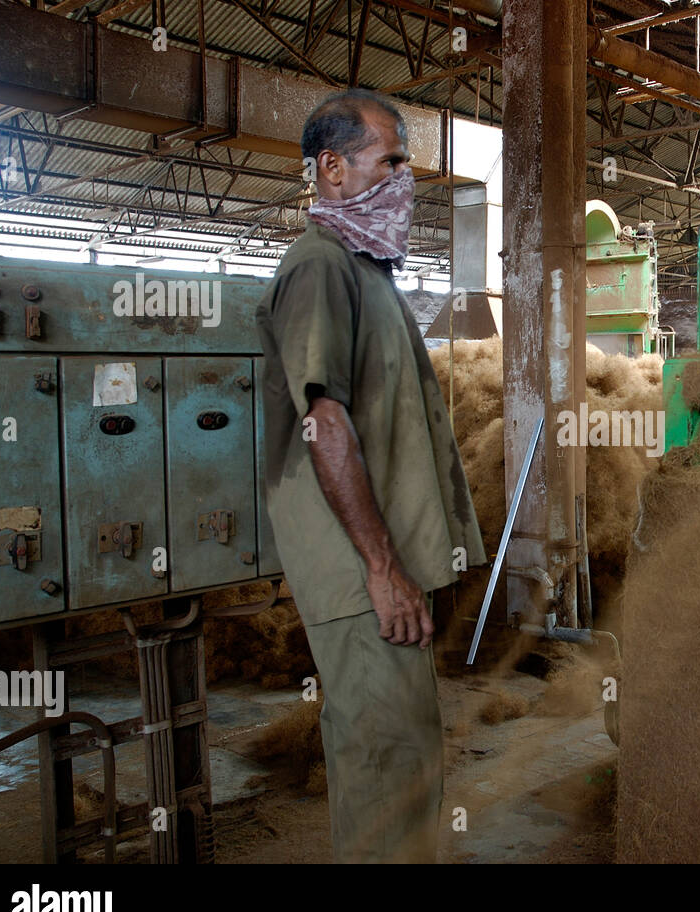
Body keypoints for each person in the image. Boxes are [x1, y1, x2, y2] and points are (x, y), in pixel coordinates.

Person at [255, 88, 486, 863]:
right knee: (388, 765)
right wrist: (382, 569)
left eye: (405, 163)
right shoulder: (320, 268)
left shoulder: (367, 271)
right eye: (388, 160)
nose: (403, 178)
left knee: (404, 754)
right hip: (360, 575)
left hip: (380, 567)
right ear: (332, 169)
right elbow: (326, 425)